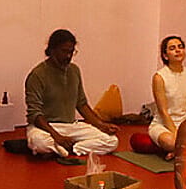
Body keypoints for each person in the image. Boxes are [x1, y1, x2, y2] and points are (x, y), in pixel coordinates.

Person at [24, 29, 119, 157]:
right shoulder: (37, 75)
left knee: (111, 141)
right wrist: (56, 136)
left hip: (71, 126)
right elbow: (34, 114)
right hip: (46, 127)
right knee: (40, 142)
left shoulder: (74, 71)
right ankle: (63, 147)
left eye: (72, 52)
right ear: (52, 50)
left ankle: (70, 149)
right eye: (64, 51)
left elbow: (82, 104)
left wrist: (101, 125)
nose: (68, 56)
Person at [148, 35, 186, 156]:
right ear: (165, 55)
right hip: (164, 125)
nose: (178, 50)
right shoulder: (159, 77)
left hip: (185, 124)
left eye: (180, 47)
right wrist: (177, 135)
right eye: (172, 48)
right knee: (172, 142)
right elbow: (163, 111)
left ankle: (177, 152)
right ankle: (178, 149)